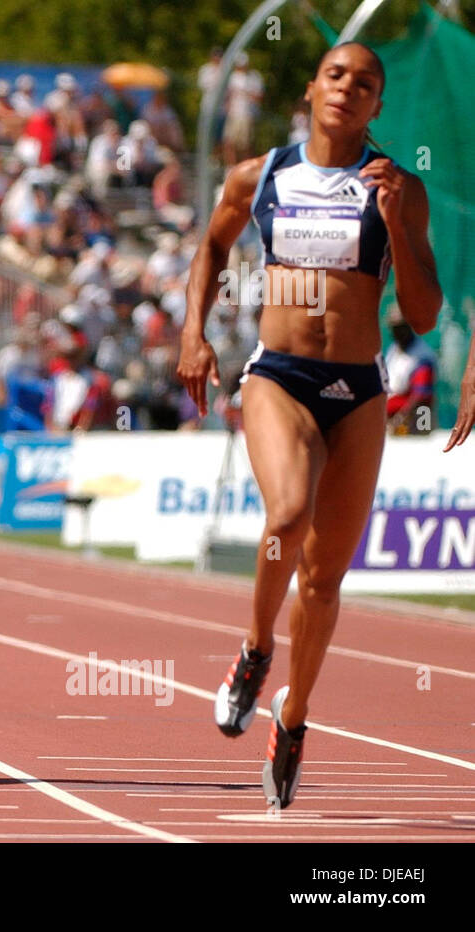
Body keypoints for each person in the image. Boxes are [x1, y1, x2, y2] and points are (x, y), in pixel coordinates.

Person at [176, 43, 442, 809]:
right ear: (312, 88)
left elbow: (423, 314)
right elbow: (212, 245)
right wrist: (193, 332)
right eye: (337, 75)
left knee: (325, 578)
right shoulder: (260, 175)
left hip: (357, 390)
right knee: (286, 515)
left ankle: (292, 717)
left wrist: (393, 222)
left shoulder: (399, 188)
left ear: (377, 107)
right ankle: (257, 648)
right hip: (279, 378)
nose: (349, 89)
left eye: (365, 83)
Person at [382, 305, 436, 434]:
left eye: (401, 327)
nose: (397, 332)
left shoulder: (422, 356)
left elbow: (421, 395)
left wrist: (398, 420)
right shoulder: (394, 350)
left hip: (415, 420)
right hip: (391, 416)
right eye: (394, 328)